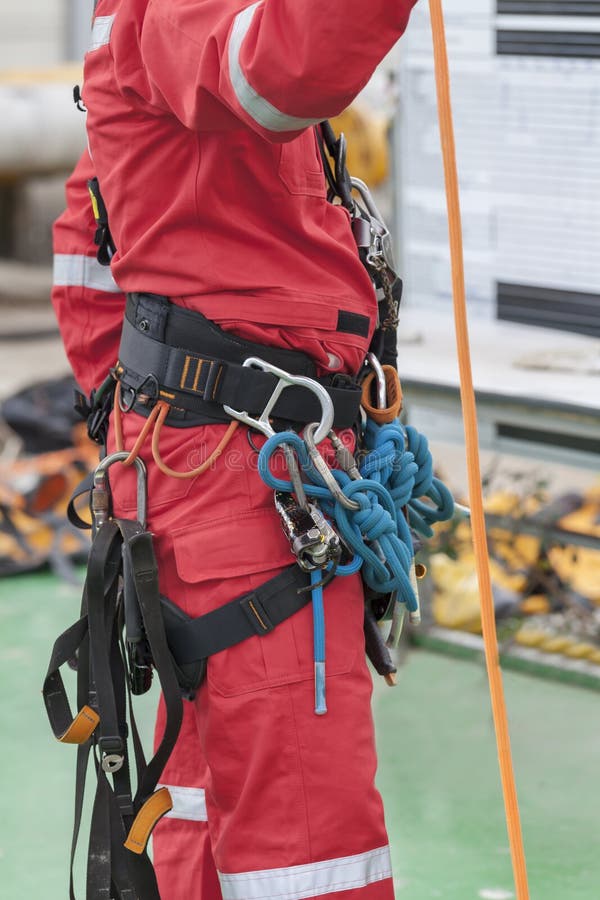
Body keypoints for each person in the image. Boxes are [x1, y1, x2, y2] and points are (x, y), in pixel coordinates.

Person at [52, 2, 420, 898]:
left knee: (203, 793)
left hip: (215, 458)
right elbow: (286, 68)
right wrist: (193, 413)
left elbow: (89, 237)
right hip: (241, 474)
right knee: (308, 839)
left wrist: (144, 419)